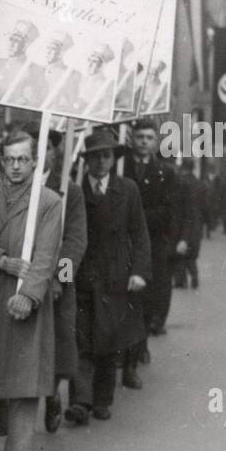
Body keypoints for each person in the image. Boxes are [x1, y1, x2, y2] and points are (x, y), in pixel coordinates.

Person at [0, 129, 63, 451]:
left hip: (28, 294)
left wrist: (28, 295)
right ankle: (8, 429)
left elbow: (45, 255)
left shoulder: (49, 201)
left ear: (34, 162)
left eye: (22, 159)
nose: (15, 166)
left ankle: (17, 447)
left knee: (24, 375)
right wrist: (1, 260)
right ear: (1, 161)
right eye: (9, 159)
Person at [66, 127, 149, 425]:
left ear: (113, 159)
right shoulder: (74, 192)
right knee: (81, 339)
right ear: (86, 161)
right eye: (95, 157)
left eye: (106, 156)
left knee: (109, 342)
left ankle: (102, 400)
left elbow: (139, 234)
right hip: (83, 274)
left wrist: (139, 271)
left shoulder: (127, 190)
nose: (101, 162)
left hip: (116, 275)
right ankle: (80, 401)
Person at [121, 121, 183, 388]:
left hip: (151, 246)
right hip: (121, 244)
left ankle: (133, 359)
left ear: (156, 142)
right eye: (140, 137)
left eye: (149, 137)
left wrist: (134, 216)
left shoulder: (166, 173)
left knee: (145, 303)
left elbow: (169, 213)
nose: (144, 141)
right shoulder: (120, 168)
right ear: (132, 139)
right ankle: (123, 354)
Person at [44, 131, 86, 433]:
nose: (39, 155)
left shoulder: (68, 191)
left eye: (45, 148)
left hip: (57, 284)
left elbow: (75, 240)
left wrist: (62, 277)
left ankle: (51, 393)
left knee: (59, 342)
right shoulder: (11, 187)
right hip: (19, 277)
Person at [171, 162, 204, 290]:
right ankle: (194, 275)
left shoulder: (180, 182)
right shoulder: (200, 183)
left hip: (183, 218)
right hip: (197, 220)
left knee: (180, 248)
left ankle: (181, 279)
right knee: (192, 250)